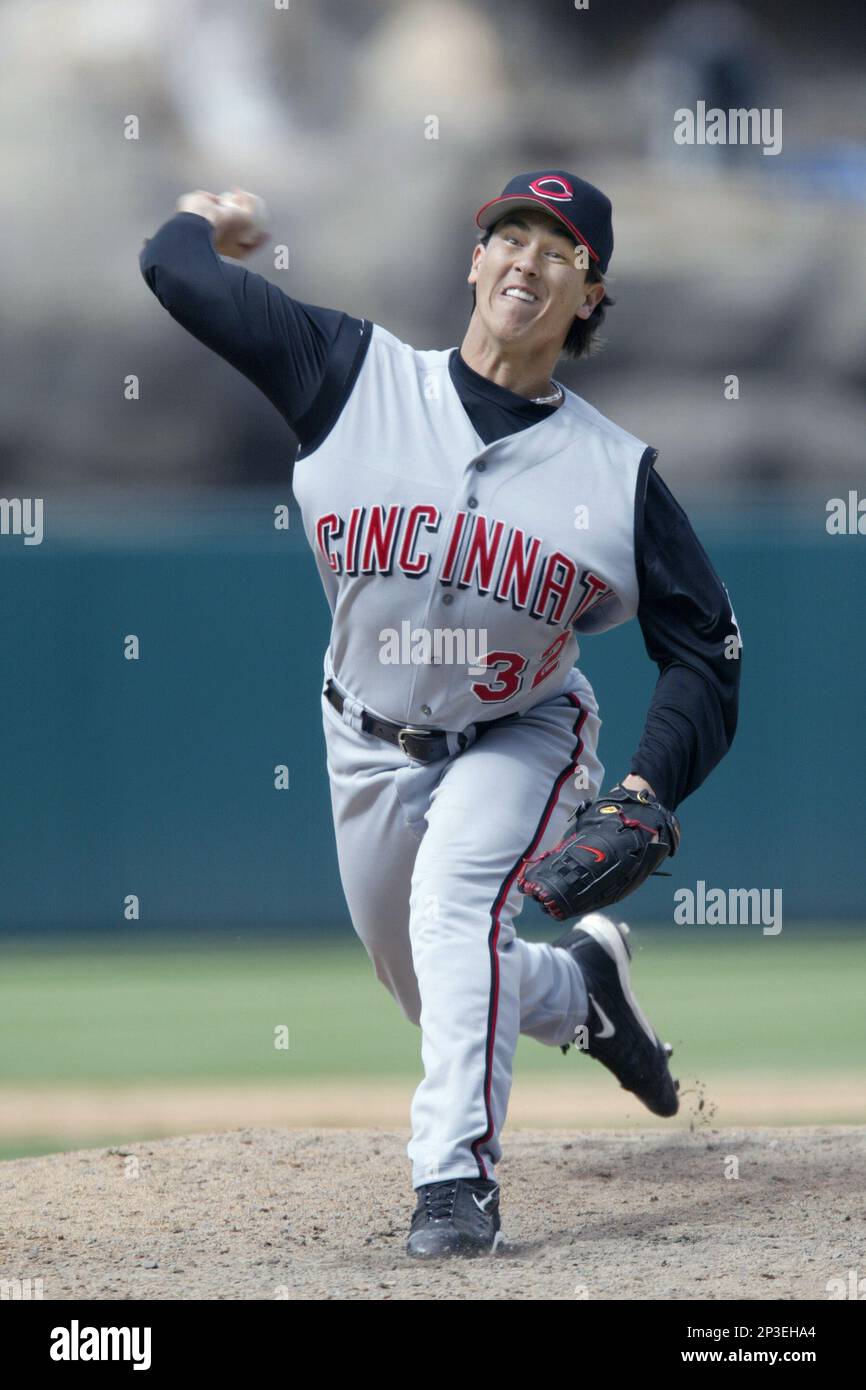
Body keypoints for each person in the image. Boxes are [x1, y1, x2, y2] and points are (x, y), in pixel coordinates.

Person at [139, 170, 740, 1260]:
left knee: (456, 909)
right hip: (361, 737)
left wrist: (645, 783)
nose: (526, 259)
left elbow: (704, 649)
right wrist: (205, 220)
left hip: (523, 732)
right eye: (509, 235)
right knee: (435, 979)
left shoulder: (614, 476)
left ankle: (452, 1186)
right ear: (474, 263)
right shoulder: (350, 372)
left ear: (588, 295)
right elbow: (173, 274)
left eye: (557, 250)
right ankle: (583, 987)